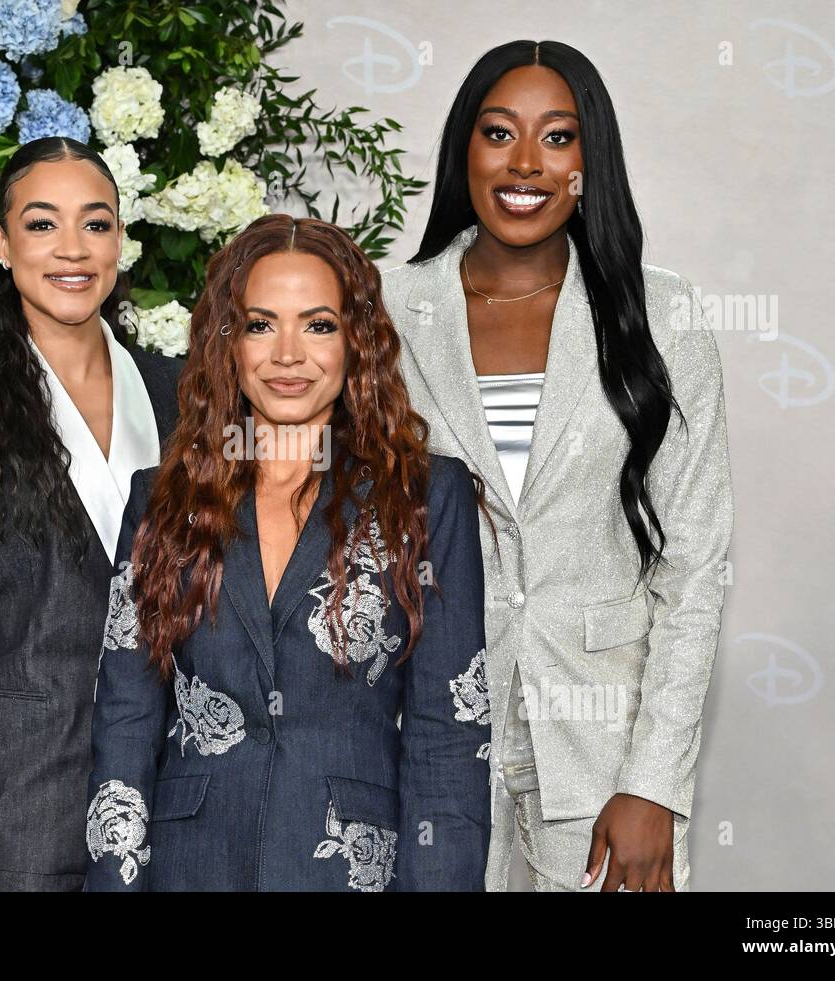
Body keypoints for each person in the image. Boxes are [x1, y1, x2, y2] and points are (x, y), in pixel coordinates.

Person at [380, 40, 733, 892]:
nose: (526, 163)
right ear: (464, 146)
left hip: (605, 751)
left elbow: (694, 567)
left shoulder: (662, 314)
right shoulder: (389, 310)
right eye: (499, 133)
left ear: (589, 160)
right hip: (427, 747)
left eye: (558, 137)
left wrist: (654, 784)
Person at [84, 214, 491, 891]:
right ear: (229, 343)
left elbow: (450, 735)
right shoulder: (161, 501)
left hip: (347, 871)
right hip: (190, 872)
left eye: (319, 324)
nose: (288, 354)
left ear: (357, 341)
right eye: (261, 324)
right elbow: (125, 720)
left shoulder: (423, 496)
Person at [0, 137, 181, 891]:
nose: (73, 249)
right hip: (24, 814)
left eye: (97, 223)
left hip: (184, 801)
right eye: (43, 224)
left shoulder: (183, 394)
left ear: (121, 239)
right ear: (1, 241)